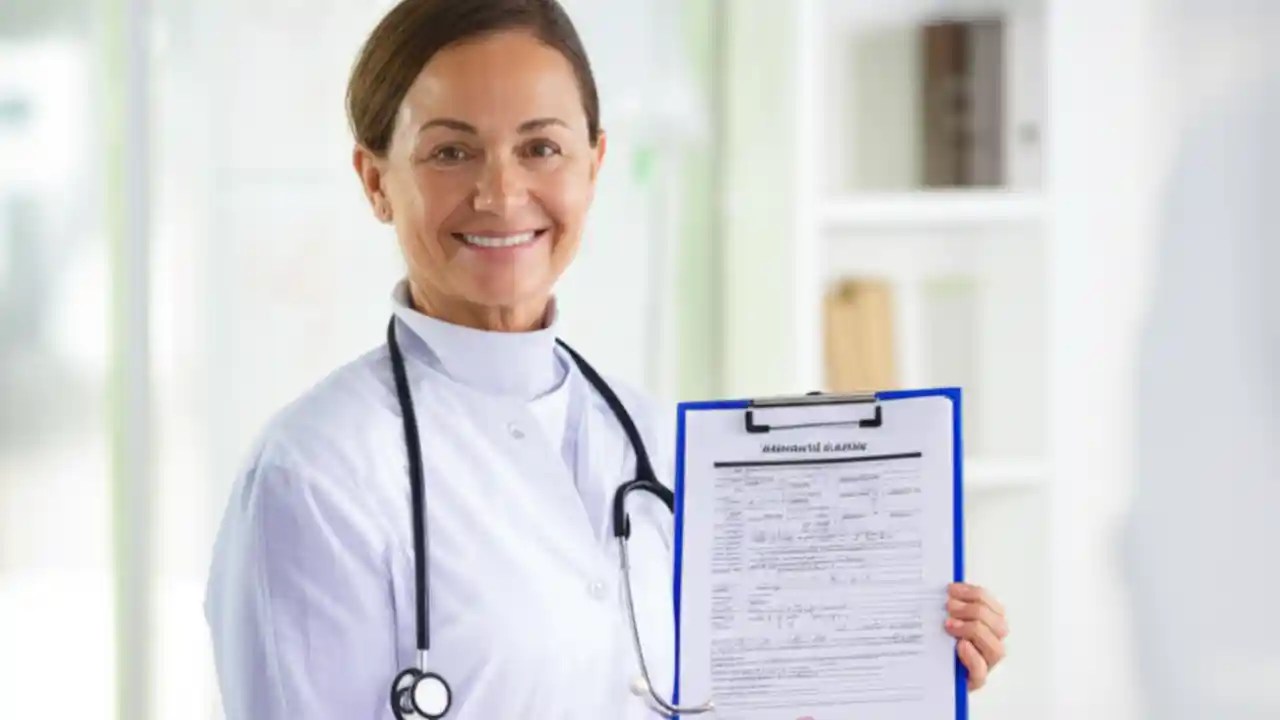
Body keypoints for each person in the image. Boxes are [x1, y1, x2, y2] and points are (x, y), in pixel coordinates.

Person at [203, 1, 1009, 717]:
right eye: (451, 153)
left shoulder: (658, 441)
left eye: (541, 148)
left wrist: (899, 664)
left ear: (593, 162)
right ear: (374, 180)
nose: (501, 193)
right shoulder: (314, 475)